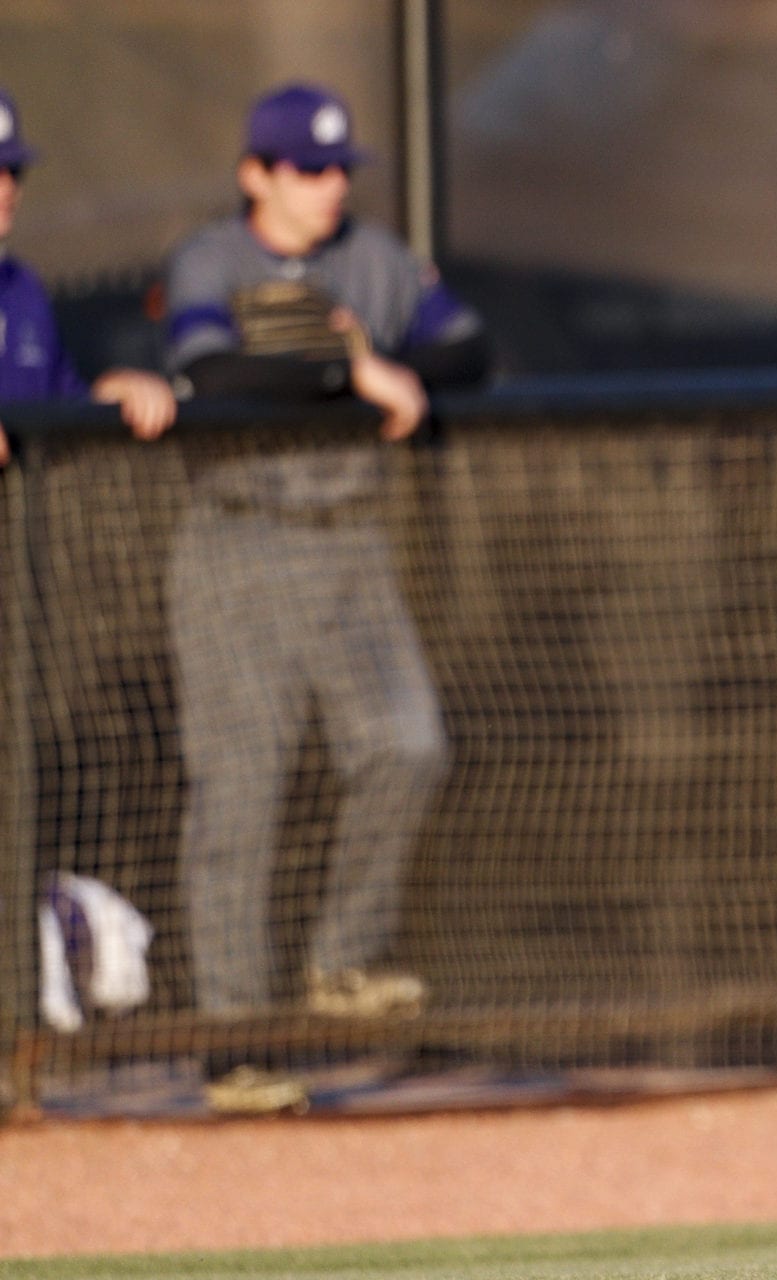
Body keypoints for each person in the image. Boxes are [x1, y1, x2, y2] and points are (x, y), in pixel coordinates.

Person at [163, 81, 487, 1036]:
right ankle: (236, 1042)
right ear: (255, 174)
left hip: (348, 539)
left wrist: (394, 371)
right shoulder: (211, 259)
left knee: (409, 745)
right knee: (241, 798)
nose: (328, 187)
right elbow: (211, 370)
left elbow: (469, 351)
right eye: (307, 169)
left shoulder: (376, 260)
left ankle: (343, 958)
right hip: (239, 537)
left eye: (340, 169)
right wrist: (347, 373)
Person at [0, 86, 175, 464]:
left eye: (14, 170)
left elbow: (58, 402)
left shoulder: (23, 287)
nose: (8, 187)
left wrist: (109, 394)